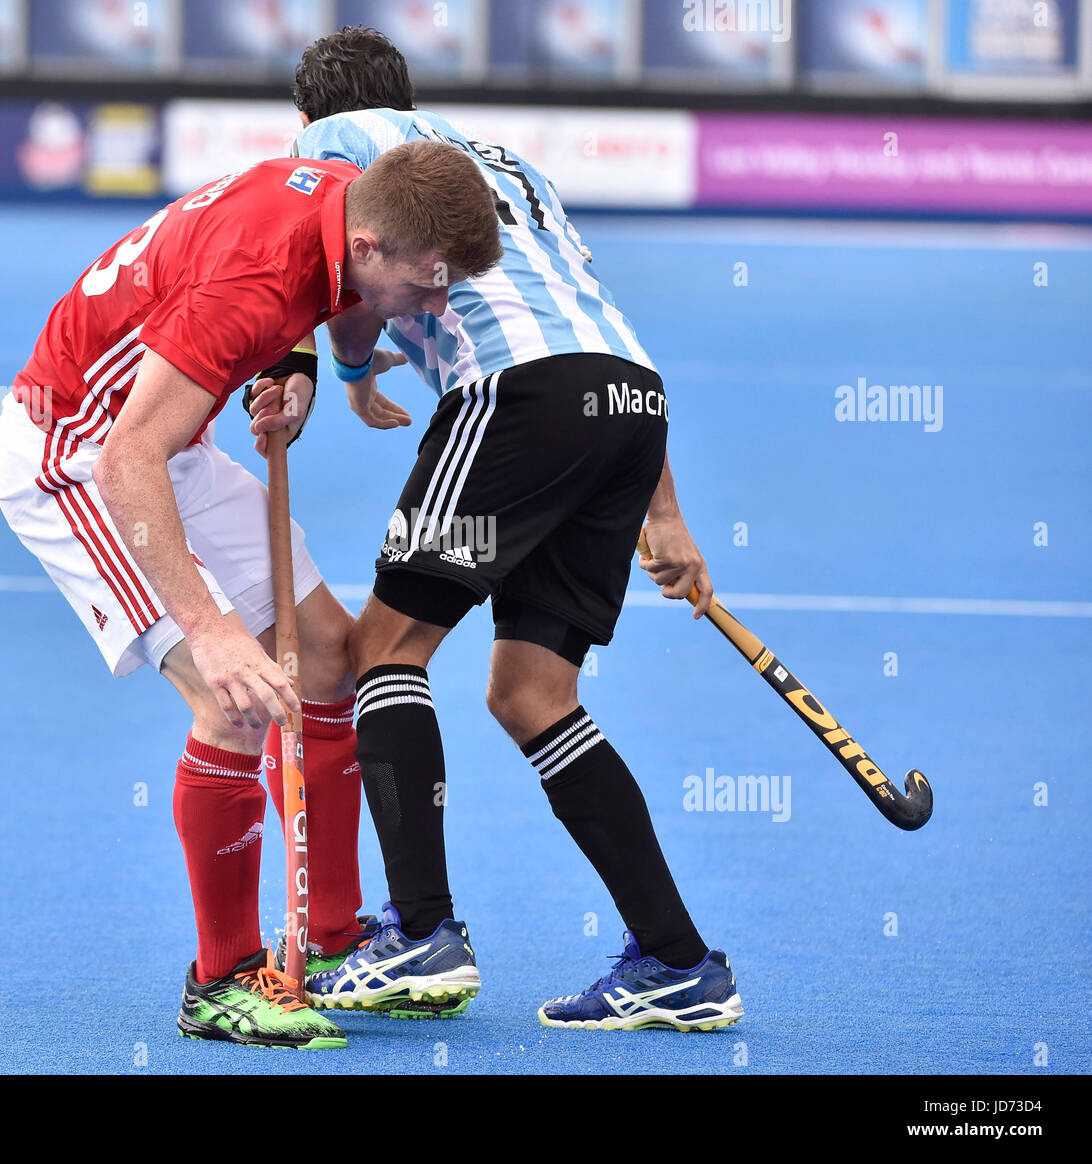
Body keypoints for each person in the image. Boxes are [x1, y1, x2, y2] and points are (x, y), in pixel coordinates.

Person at [0, 140, 503, 1048]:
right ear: (375, 243)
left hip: (168, 444)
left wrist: (307, 375)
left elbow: (341, 302)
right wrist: (215, 630)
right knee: (235, 696)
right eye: (426, 290)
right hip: (81, 457)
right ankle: (220, 981)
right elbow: (126, 459)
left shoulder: (354, 204)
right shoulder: (257, 280)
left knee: (331, 659)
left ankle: (335, 938)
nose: (432, 312)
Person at [283, 27, 744, 1032]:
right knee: (533, 693)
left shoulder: (333, 150)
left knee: (382, 651)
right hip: (630, 403)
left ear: (306, 112)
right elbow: (592, 315)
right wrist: (665, 514)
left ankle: (419, 936)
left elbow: (350, 284)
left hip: (519, 397)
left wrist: (353, 375)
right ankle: (675, 959)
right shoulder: (507, 165)